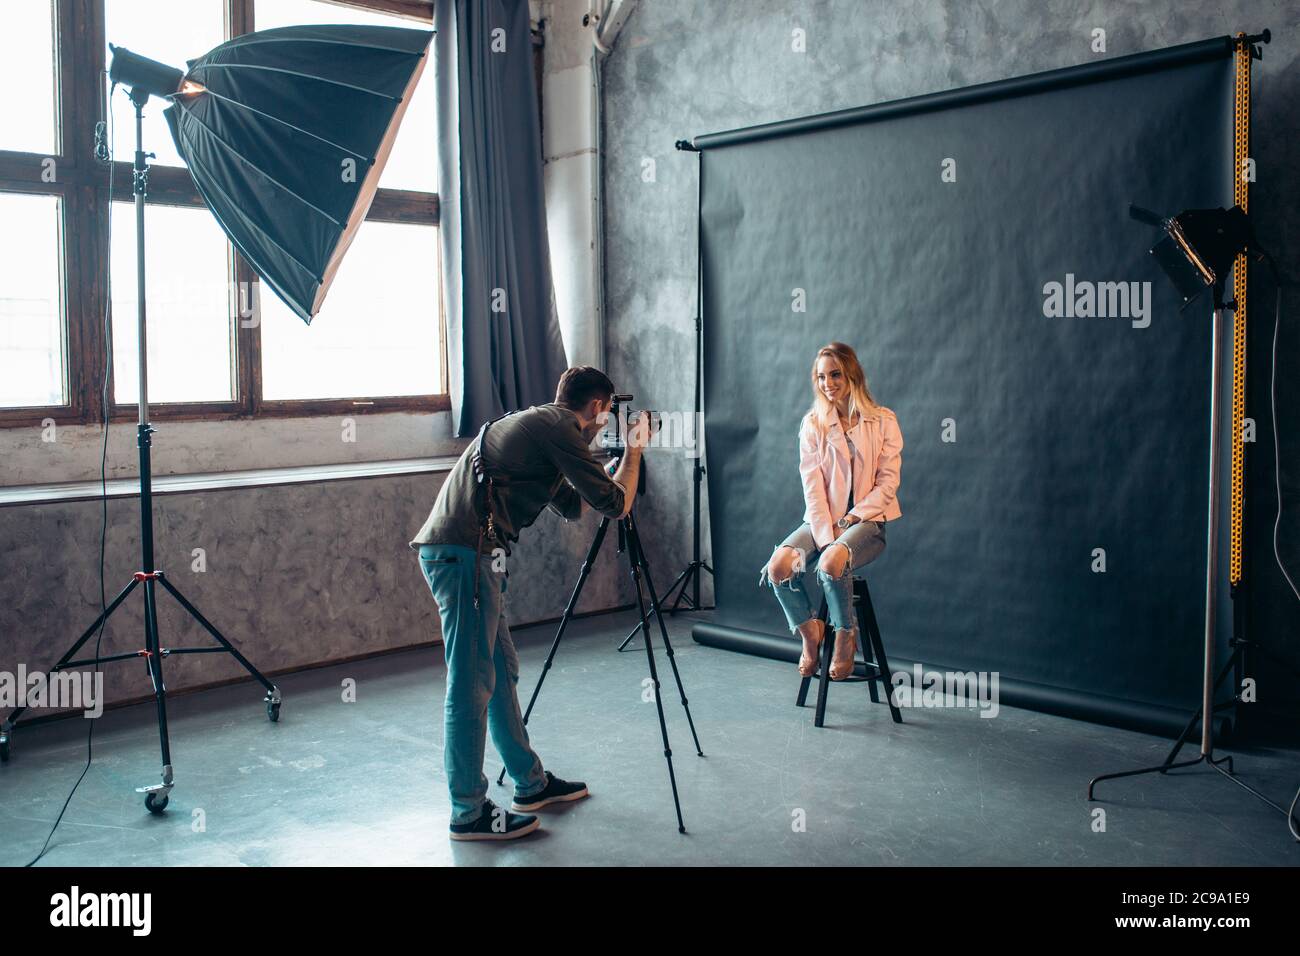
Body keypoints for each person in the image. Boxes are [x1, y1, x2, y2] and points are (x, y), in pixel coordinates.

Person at [411, 367, 651, 841]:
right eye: (605, 414)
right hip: (465, 554)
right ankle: (467, 810)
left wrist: (615, 460)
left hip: (473, 555)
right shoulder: (560, 427)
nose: (604, 424)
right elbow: (615, 504)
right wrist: (636, 449)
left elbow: (575, 503)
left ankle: (530, 784)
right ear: (598, 407)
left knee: (499, 673)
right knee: (471, 681)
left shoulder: (542, 428)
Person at [760, 342, 903, 681]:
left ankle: (845, 633)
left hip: (868, 524)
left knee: (831, 562)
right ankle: (812, 634)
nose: (828, 383)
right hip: (822, 520)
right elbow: (813, 489)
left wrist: (850, 520)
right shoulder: (813, 425)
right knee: (780, 567)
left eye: (835, 374)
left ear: (852, 373)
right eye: (821, 377)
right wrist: (827, 535)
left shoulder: (883, 421)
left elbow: (887, 485)